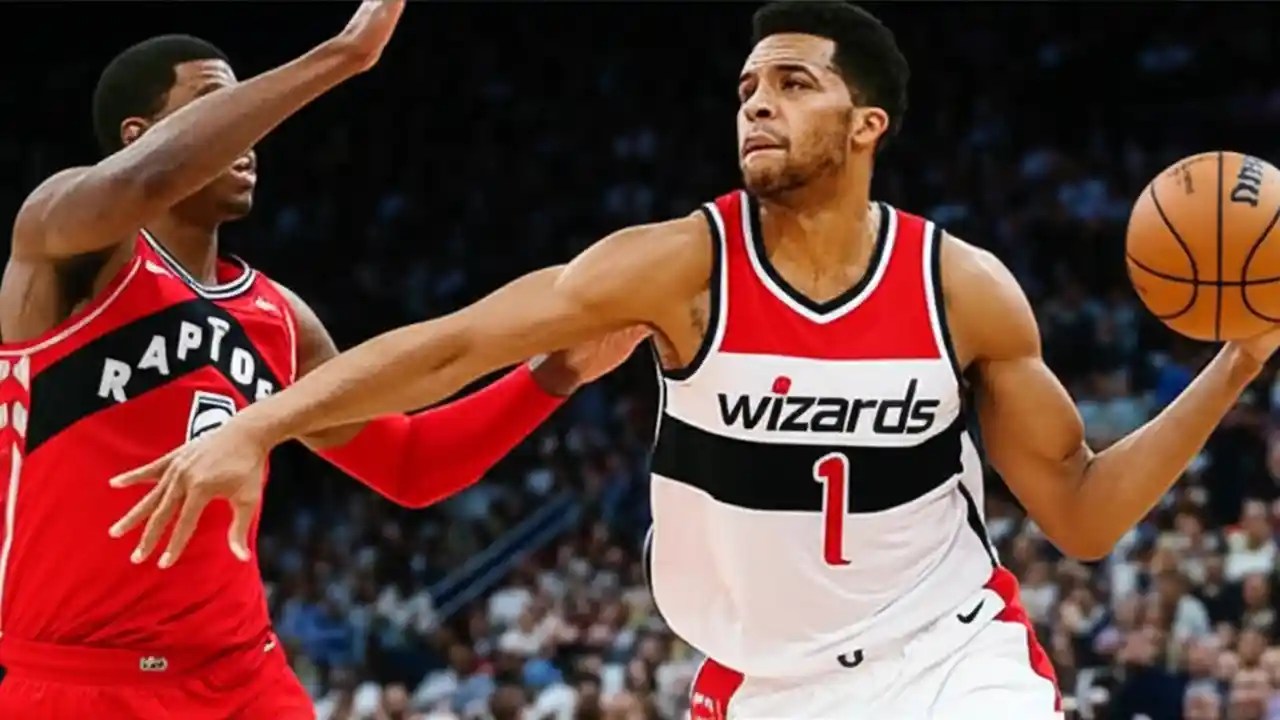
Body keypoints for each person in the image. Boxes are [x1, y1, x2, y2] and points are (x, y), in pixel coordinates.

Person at [111, 2, 1280, 718]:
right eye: (744, 87)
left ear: (866, 124)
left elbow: (1076, 515)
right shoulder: (678, 264)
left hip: (948, 664)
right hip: (760, 687)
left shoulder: (958, 288)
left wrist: (1235, 362)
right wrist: (259, 425)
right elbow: (454, 344)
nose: (755, 105)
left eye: (792, 83)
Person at [0, 3, 643, 718]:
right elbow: (140, 184)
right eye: (220, 106)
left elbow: (409, 465)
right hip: (81, 679)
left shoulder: (278, 318)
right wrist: (342, 54)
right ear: (137, 135)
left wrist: (555, 375)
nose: (251, 134)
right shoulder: (64, 244)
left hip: (243, 675)